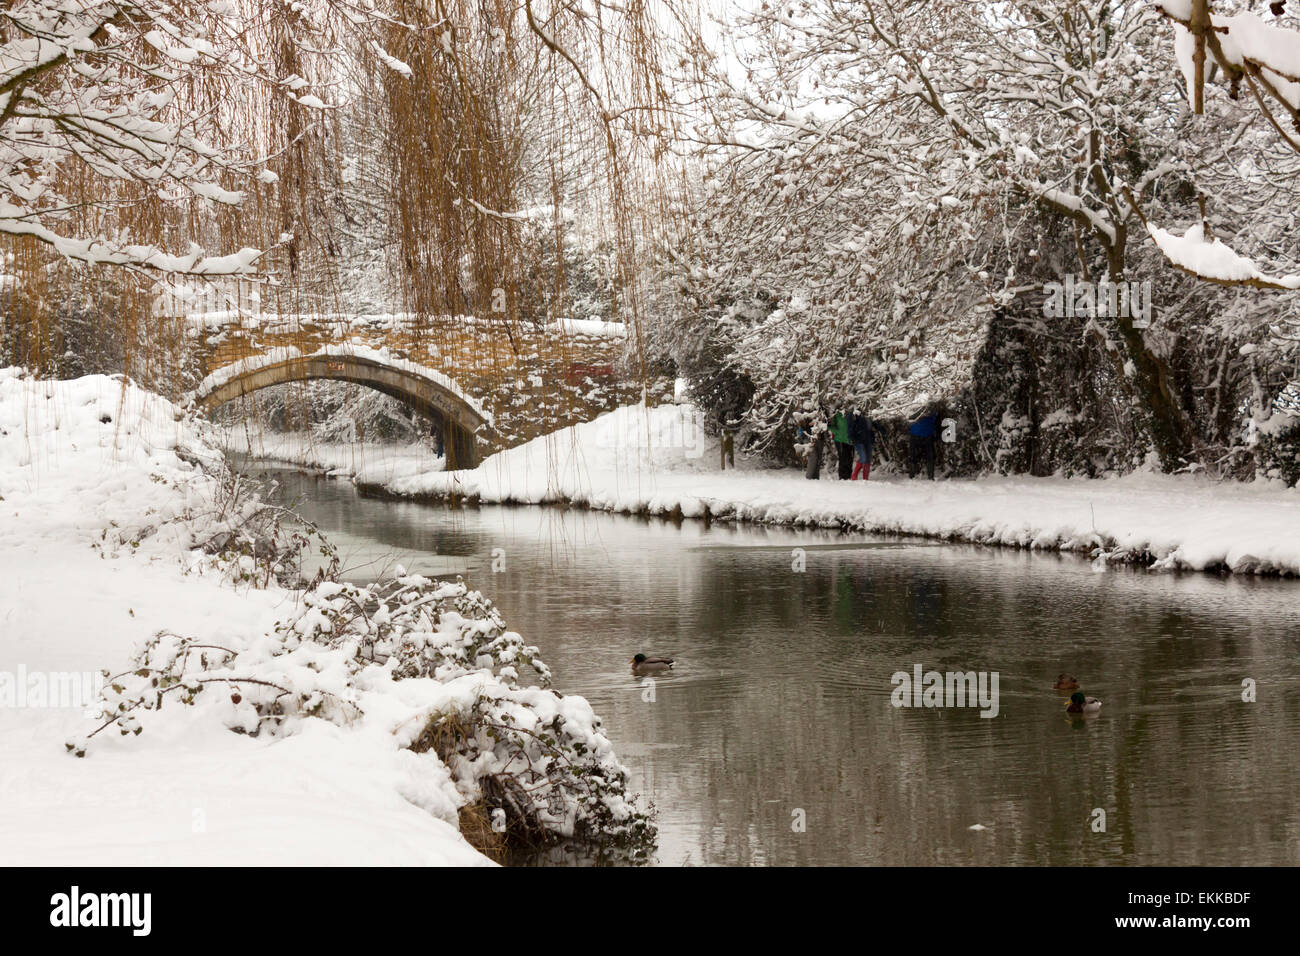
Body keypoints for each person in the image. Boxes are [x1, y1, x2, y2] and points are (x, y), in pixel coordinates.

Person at [908, 407, 939, 480]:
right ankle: (930, 477)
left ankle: (912, 476)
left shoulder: (913, 406)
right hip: (927, 435)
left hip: (916, 434)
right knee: (930, 457)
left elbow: (909, 418)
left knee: (913, 457)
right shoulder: (931, 408)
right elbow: (935, 418)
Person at [849, 409, 880, 480]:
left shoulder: (870, 415)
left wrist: (881, 429)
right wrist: (852, 438)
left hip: (868, 440)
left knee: (868, 459)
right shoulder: (856, 415)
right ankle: (854, 476)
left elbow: (875, 425)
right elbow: (851, 427)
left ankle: (865, 479)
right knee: (863, 458)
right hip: (859, 440)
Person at [829, 409, 854, 480]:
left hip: (849, 440)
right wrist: (837, 433)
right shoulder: (837, 414)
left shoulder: (851, 413)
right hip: (840, 440)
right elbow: (830, 426)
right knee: (843, 458)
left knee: (849, 458)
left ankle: (848, 475)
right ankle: (842, 476)